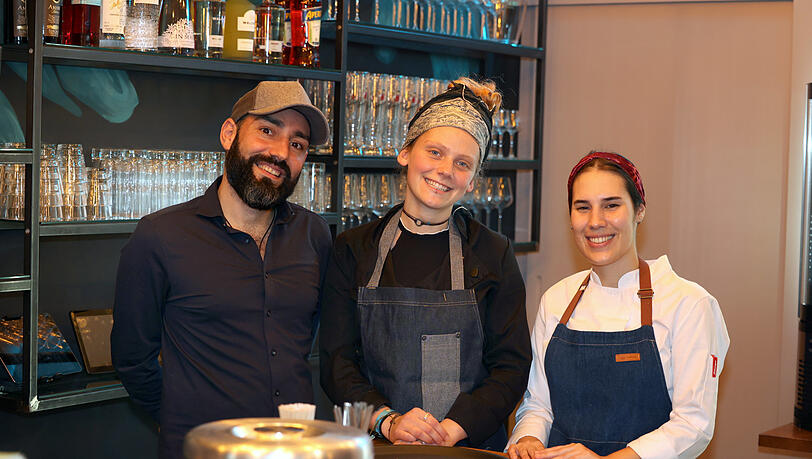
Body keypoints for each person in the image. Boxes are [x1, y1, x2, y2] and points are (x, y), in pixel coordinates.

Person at [111, 81, 332, 459]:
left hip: (295, 448)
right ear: (229, 134)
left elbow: (304, 337)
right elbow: (133, 358)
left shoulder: (315, 234)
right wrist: (182, 420)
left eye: (298, 144)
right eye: (267, 130)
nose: (280, 153)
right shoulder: (161, 235)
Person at [319, 77, 532, 451]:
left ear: (472, 182)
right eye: (435, 152)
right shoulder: (353, 249)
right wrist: (388, 421)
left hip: (468, 447)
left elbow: (511, 367)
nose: (445, 169)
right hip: (379, 445)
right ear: (405, 153)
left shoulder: (493, 253)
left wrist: (453, 428)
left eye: (463, 163)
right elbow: (337, 362)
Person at [507, 152, 730, 459]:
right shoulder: (556, 300)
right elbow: (538, 404)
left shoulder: (689, 305)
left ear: (639, 210)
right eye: (582, 208)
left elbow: (693, 425)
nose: (596, 222)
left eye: (611, 205)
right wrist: (529, 439)